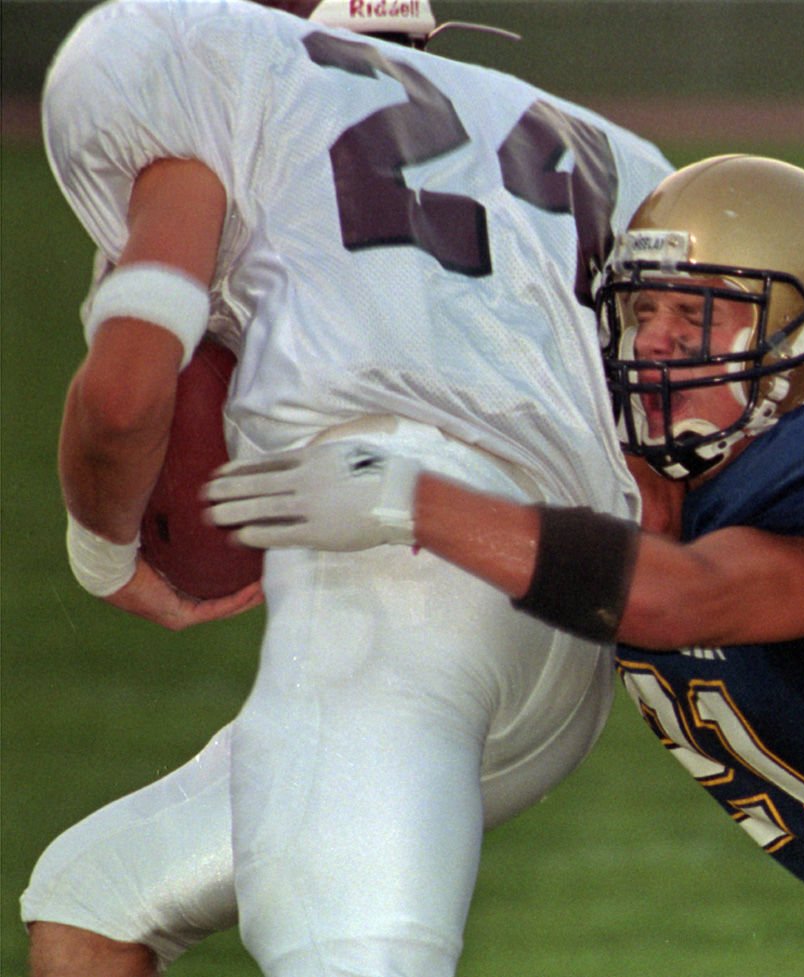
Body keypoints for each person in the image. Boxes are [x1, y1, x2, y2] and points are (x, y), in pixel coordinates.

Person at [207, 154, 804, 977]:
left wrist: (410, 499)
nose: (654, 341)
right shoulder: (643, 474)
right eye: (642, 310)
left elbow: (686, 599)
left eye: (698, 316)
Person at [21, 0, 672, 974]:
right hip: (566, 629)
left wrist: (104, 551)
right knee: (92, 893)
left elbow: (122, 397)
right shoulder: (620, 159)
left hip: (404, 574)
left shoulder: (224, 79)